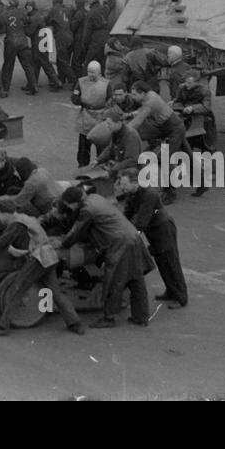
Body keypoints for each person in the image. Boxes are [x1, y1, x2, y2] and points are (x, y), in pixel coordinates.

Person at [0, 198, 86, 337]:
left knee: (17, 289)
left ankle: (2, 327)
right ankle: (76, 324)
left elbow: (2, 244)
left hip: (39, 259)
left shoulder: (16, 224)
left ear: (5, 212)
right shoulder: (26, 218)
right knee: (55, 293)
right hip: (50, 256)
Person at [56, 185, 150, 329]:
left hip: (119, 244)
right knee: (135, 279)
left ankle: (109, 317)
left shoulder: (87, 209)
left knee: (113, 280)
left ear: (74, 202)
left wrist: (60, 243)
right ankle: (141, 317)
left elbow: (76, 232)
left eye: (69, 205)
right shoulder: (95, 198)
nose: (69, 208)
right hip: (131, 238)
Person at [114, 165, 187, 307]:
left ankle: (181, 298)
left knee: (171, 263)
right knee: (161, 262)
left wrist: (130, 235)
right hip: (153, 231)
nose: (122, 187)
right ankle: (171, 291)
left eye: (124, 184)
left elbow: (142, 219)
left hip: (163, 230)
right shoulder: (133, 194)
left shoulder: (149, 194)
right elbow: (127, 214)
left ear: (135, 182)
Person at [126, 81, 188, 203]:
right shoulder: (150, 95)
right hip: (171, 127)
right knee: (188, 155)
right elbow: (142, 111)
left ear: (142, 93)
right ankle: (202, 182)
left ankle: (170, 193)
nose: (132, 97)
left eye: (134, 94)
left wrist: (124, 130)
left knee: (166, 159)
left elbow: (138, 121)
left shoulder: (150, 101)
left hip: (174, 129)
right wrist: (131, 114)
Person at [173, 69, 217, 196]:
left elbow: (207, 107)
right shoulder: (182, 89)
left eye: (189, 82)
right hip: (190, 122)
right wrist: (177, 105)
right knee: (188, 148)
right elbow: (178, 100)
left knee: (208, 148)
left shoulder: (204, 91)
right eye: (186, 82)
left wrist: (192, 108)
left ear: (196, 82)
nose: (187, 85)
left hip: (205, 122)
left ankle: (210, 173)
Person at [72, 61, 115, 167]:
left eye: (93, 72)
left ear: (99, 73)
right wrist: (81, 101)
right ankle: (82, 166)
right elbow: (74, 97)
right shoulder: (81, 82)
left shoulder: (106, 84)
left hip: (101, 117)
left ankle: (101, 166)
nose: (90, 75)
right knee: (83, 148)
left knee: (102, 146)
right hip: (85, 117)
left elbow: (111, 100)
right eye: (89, 72)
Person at [0, 0, 37, 97]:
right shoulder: (22, 13)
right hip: (22, 41)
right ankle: (33, 86)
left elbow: (2, 29)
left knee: (8, 66)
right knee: (27, 65)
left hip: (10, 42)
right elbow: (28, 21)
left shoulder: (4, 14)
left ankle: (5, 89)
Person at [24, 0, 62, 91]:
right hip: (44, 39)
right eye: (27, 7)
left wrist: (23, 27)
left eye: (29, 6)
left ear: (32, 7)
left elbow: (30, 32)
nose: (27, 8)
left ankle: (56, 82)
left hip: (40, 42)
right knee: (37, 63)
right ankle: (33, 83)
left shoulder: (34, 17)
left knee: (44, 63)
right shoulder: (37, 15)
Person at [44, 0, 75, 87]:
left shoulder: (54, 9)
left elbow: (46, 20)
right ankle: (60, 80)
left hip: (61, 37)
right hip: (70, 35)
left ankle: (74, 81)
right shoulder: (67, 9)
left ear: (55, 1)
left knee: (62, 61)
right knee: (60, 59)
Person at [83, 0, 111, 70]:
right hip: (106, 39)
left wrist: (85, 45)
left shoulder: (91, 13)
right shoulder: (105, 9)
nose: (88, 0)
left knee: (88, 65)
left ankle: (85, 82)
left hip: (95, 42)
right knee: (103, 65)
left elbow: (87, 32)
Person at [68, 0, 90, 81]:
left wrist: (70, 19)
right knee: (80, 62)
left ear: (77, 4)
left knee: (76, 63)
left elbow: (73, 27)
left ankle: (78, 82)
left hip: (78, 40)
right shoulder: (86, 12)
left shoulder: (78, 14)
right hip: (84, 40)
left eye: (74, 3)